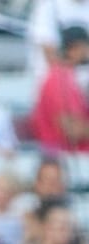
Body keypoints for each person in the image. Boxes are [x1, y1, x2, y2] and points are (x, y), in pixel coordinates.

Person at [30, 25, 89, 154]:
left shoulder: (68, 77)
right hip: (64, 158)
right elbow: (71, 130)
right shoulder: (58, 79)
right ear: (76, 48)